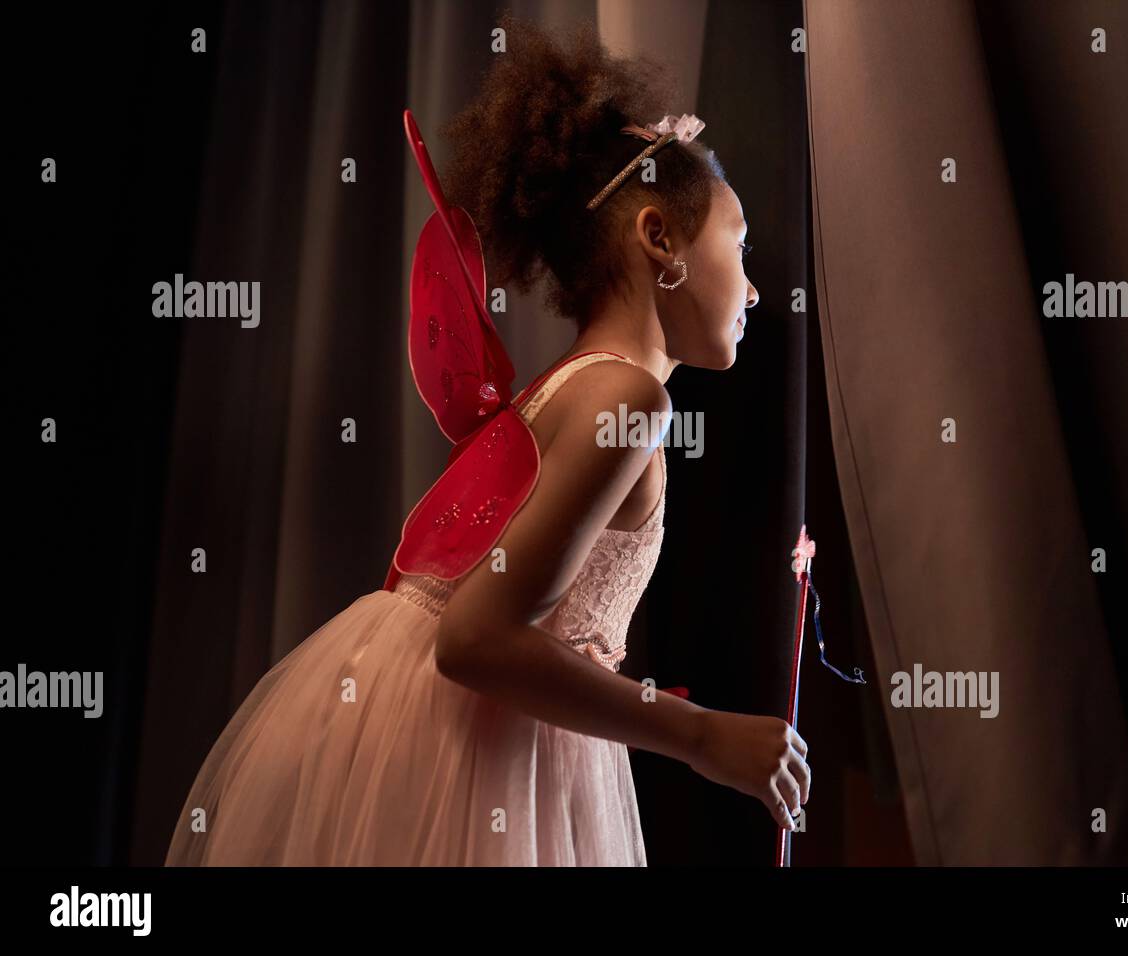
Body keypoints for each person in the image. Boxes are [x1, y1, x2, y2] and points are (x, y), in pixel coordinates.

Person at [164, 13, 808, 867]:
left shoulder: (564, 391)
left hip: (407, 728)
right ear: (660, 238)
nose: (756, 288)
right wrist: (700, 734)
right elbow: (476, 639)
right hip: (475, 751)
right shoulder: (629, 399)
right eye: (741, 243)